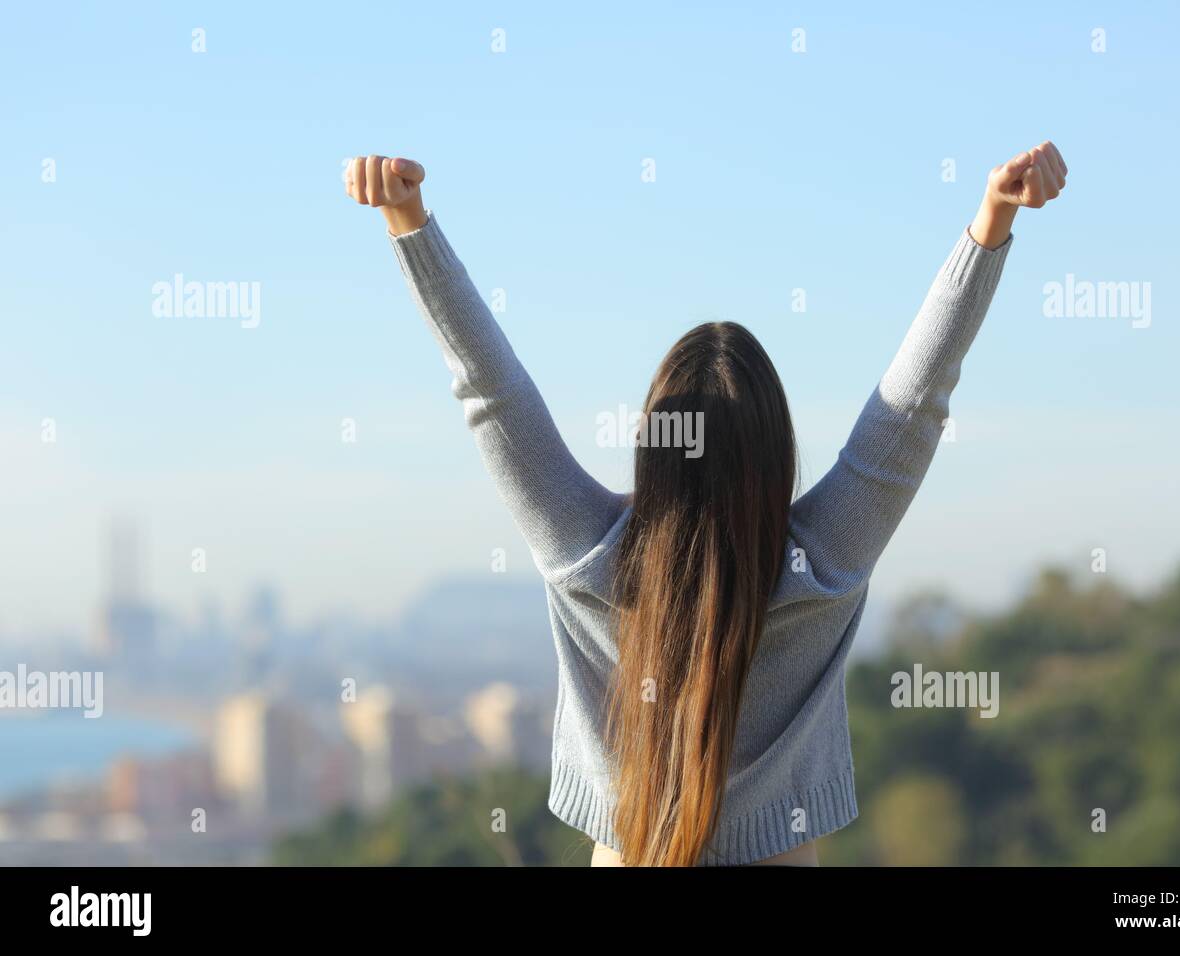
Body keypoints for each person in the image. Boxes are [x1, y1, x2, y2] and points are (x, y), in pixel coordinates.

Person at [344, 142, 1068, 866]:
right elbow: (916, 403)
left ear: (653, 446)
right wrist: (991, 220)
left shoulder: (586, 552)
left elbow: (491, 393)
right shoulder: (825, 562)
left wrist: (408, 220)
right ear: (777, 450)